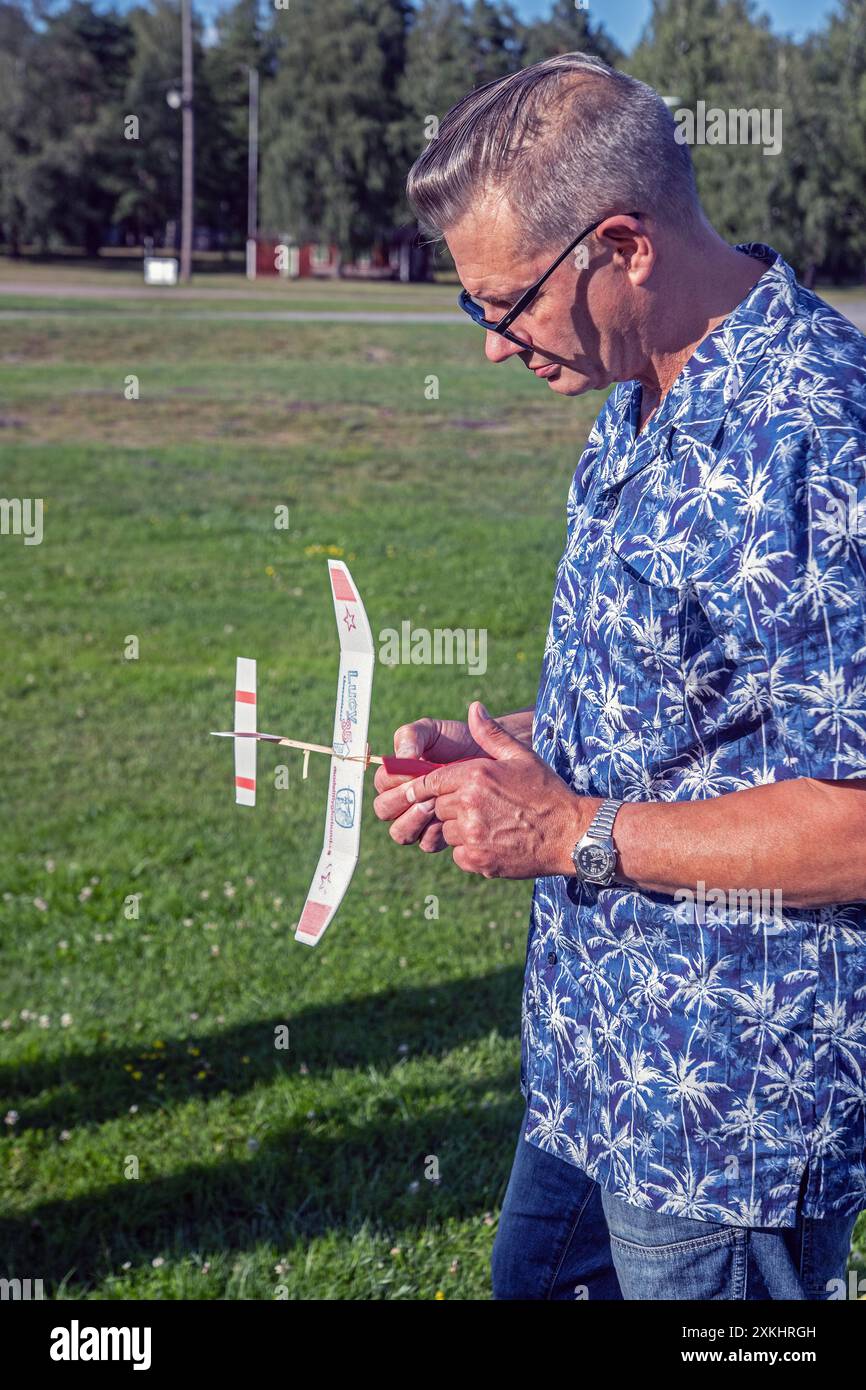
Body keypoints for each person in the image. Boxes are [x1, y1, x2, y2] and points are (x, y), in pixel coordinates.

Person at [372, 52, 866, 1301]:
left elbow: (856, 819)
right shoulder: (641, 388)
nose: (490, 347)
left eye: (503, 304)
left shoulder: (815, 436)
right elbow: (701, 710)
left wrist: (565, 830)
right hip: (596, 1057)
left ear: (620, 246)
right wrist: (517, 756)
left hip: (724, 1111)